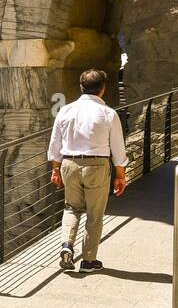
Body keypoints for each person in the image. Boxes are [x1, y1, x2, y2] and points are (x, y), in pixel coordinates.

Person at [47, 68, 128, 272]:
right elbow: (118, 148)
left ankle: (67, 245)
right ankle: (88, 261)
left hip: (69, 164)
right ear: (103, 89)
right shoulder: (108, 113)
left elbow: (55, 143)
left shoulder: (65, 111)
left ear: (81, 87)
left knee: (71, 207)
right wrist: (120, 175)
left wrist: (55, 168)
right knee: (94, 214)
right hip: (97, 166)